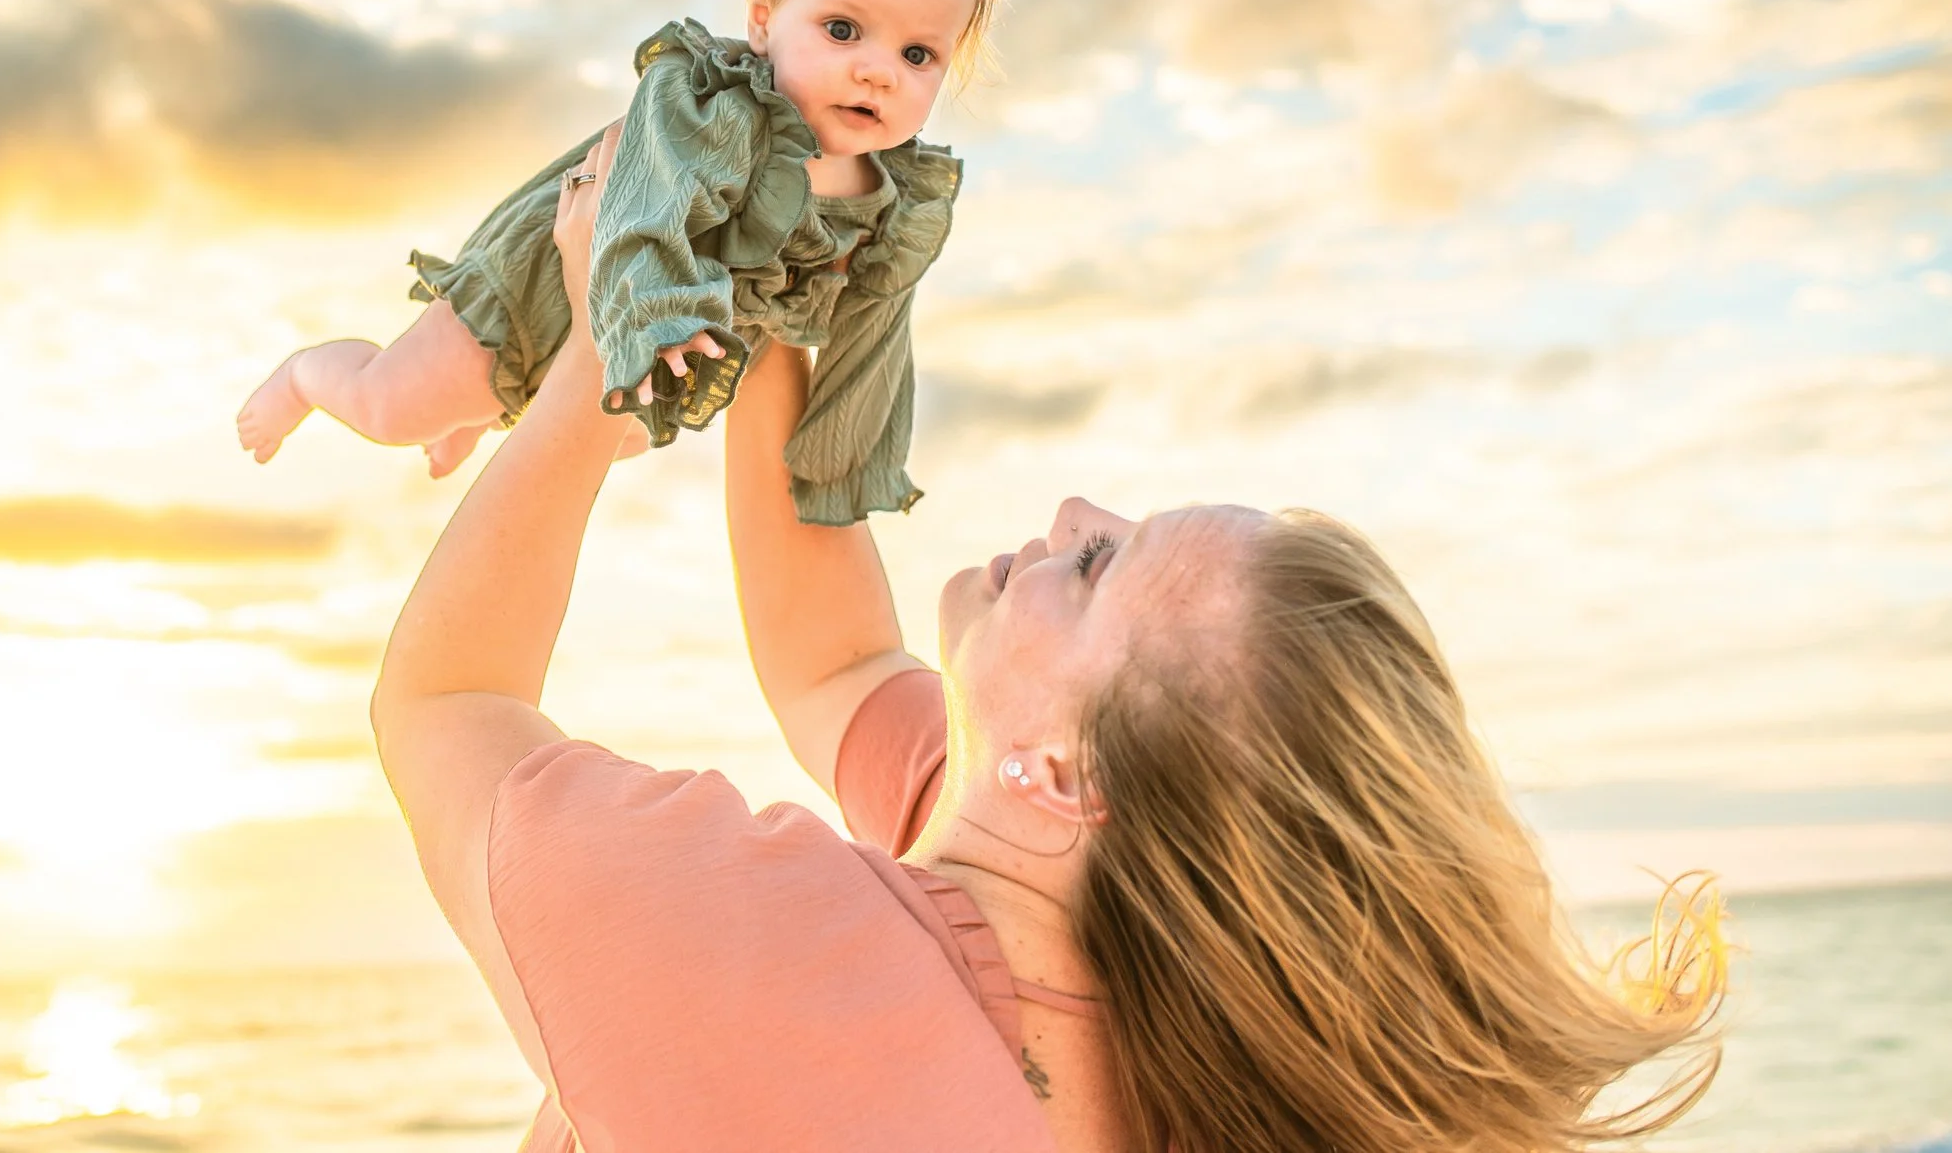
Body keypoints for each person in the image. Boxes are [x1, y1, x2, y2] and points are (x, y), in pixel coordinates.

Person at [370, 124, 1727, 1153]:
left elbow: (441, 705)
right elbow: (830, 657)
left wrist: (593, 373)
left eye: (1097, 564)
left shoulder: (764, 949)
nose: (1074, 507)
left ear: (1070, 779)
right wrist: (794, 280)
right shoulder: (1151, 971)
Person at [236, 0, 1013, 525]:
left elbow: (877, 332)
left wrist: (839, 459)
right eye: (843, 29)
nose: (880, 71)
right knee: (394, 410)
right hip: (552, 290)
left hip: (656, 353)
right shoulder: (709, 104)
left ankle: (478, 414)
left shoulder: (896, 200)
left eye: (918, 53)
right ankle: (311, 375)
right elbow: (651, 207)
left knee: (620, 437)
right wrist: (660, 317)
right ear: (765, 16)